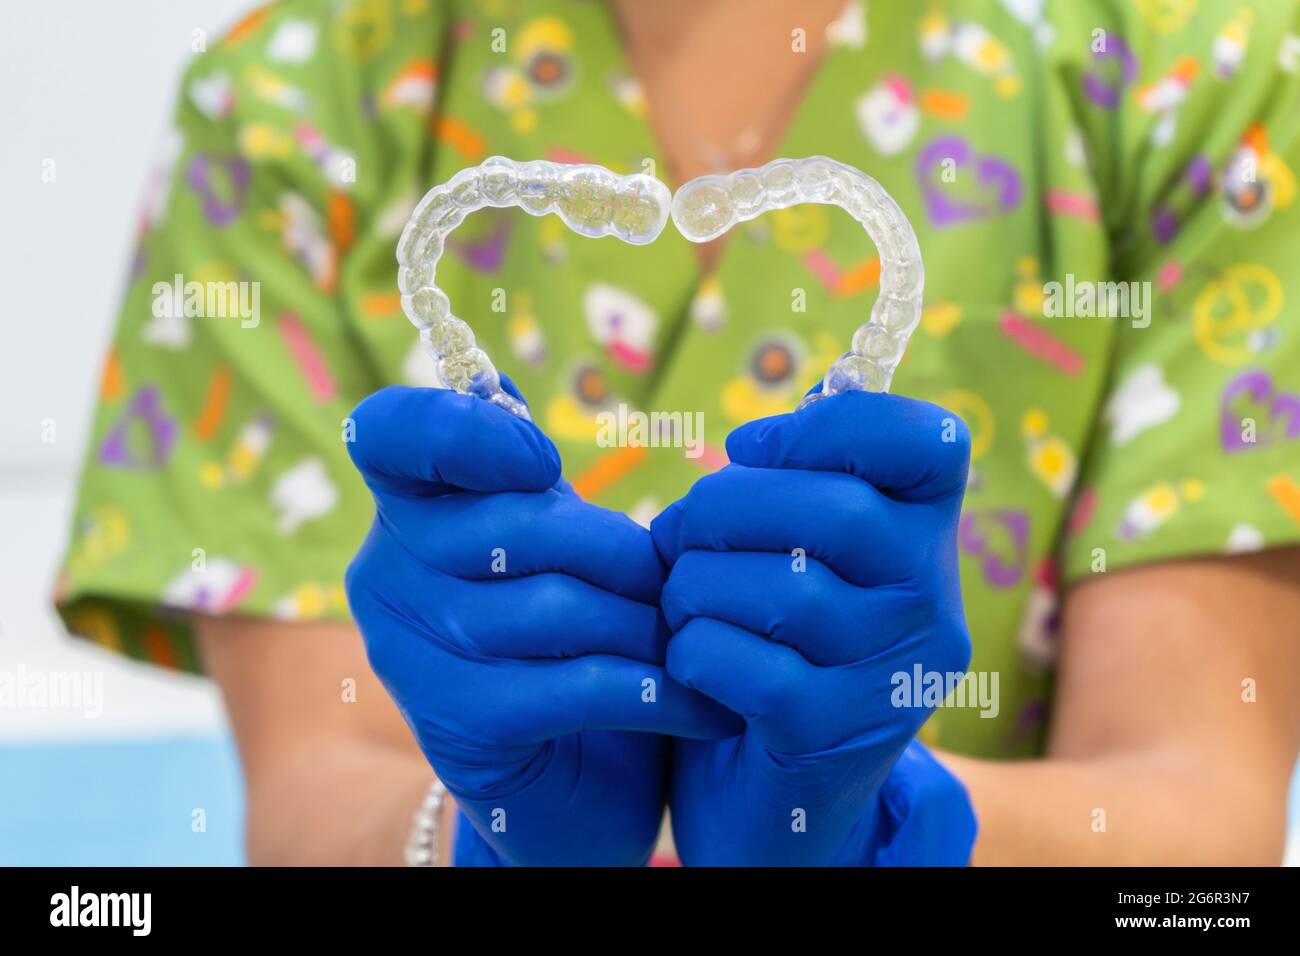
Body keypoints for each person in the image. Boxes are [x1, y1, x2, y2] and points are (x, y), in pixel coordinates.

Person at [56, 0, 1300, 865]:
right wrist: (480, 841)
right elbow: (307, 803)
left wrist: (882, 825)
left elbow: (1198, 846)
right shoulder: (287, 106)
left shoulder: (1197, 79)